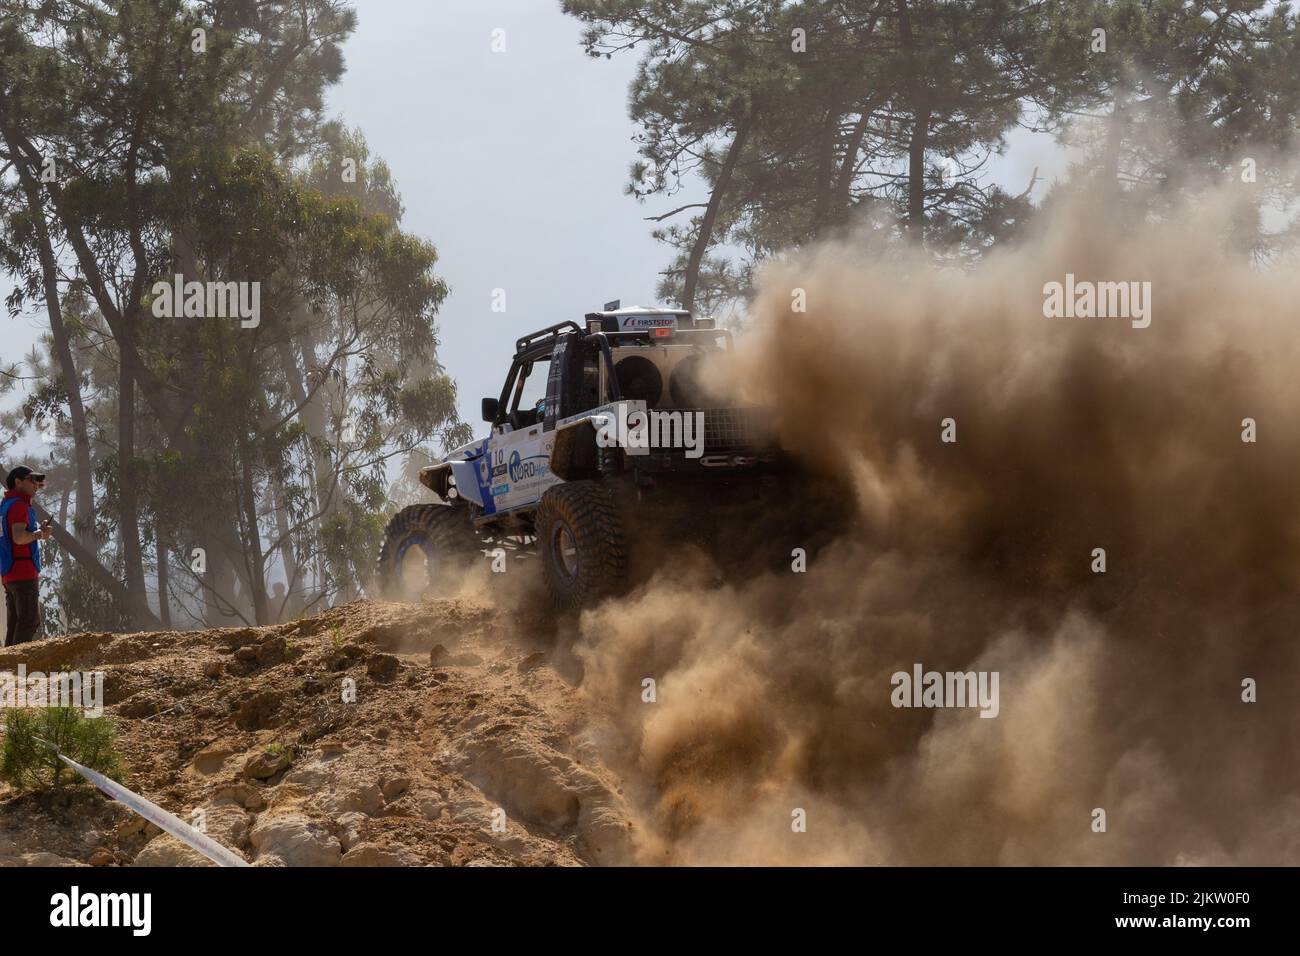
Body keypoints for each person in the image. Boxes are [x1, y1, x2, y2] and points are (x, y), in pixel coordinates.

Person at [1, 466, 53, 647]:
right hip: (23, 572)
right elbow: (19, 537)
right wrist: (40, 534)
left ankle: (5, 669)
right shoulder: (18, 505)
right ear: (18, 482)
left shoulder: (6, 505)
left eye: (39, 481)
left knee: (16, 624)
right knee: (29, 621)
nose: (37, 485)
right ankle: (14, 670)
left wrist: (39, 531)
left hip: (9, 573)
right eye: (32, 480)